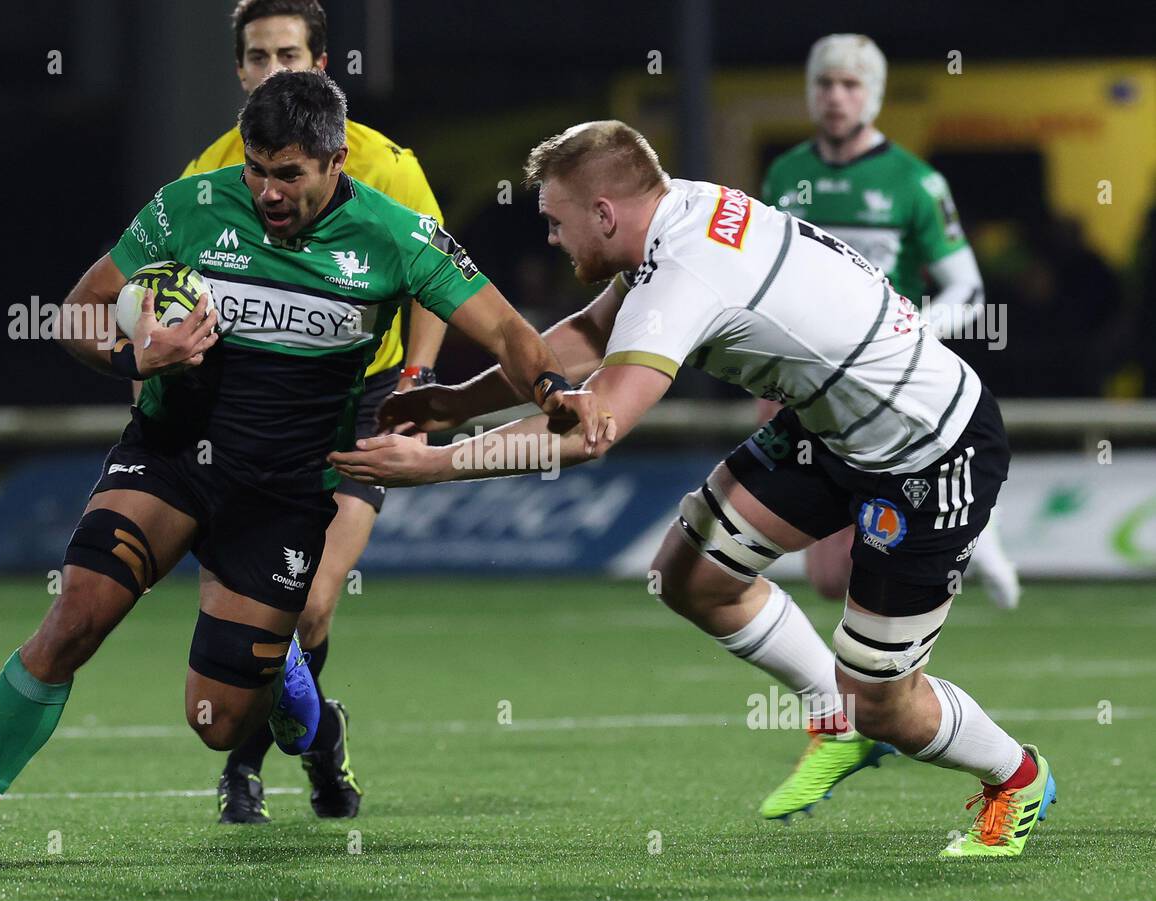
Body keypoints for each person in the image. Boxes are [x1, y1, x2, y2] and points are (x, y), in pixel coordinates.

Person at [0, 73, 601, 874]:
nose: (268, 192)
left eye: (289, 174)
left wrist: (553, 390)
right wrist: (138, 355)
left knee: (216, 720)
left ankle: (308, 716)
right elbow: (77, 310)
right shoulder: (191, 207)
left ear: (336, 160)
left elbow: (512, 333)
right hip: (170, 456)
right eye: (257, 169)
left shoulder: (397, 237)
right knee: (74, 618)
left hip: (281, 494)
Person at [331, 121, 1057, 856]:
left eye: (555, 221)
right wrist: (457, 402)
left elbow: (593, 432)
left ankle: (1017, 777)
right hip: (837, 426)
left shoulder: (685, 272)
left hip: (928, 450)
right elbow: (586, 335)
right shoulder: (682, 211)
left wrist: (436, 463)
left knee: (887, 707)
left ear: (605, 213)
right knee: (691, 574)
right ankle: (832, 718)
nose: (550, 239)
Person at [180, 0, 453, 825]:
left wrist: (419, 374)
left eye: (289, 55)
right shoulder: (209, 172)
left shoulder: (383, 164)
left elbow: (438, 273)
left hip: (357, 397)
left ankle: (250, 763)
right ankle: (319, 740)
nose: (273, 71)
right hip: (249, 401)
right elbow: (174, 290)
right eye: (258, 57)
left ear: (322, 65)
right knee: (249, 613)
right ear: (238, 69)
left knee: (316, 602)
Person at [762, 34, 1021, 610]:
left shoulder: (914, 182)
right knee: (829, 579)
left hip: (886, 377)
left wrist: (910, 332)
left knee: (875, 563)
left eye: (850, 84)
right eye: (825, 83)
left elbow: (968, 287)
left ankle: (975, 530)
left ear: (873, 95)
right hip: (809, 374)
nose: (836, 97)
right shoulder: (785, 174)